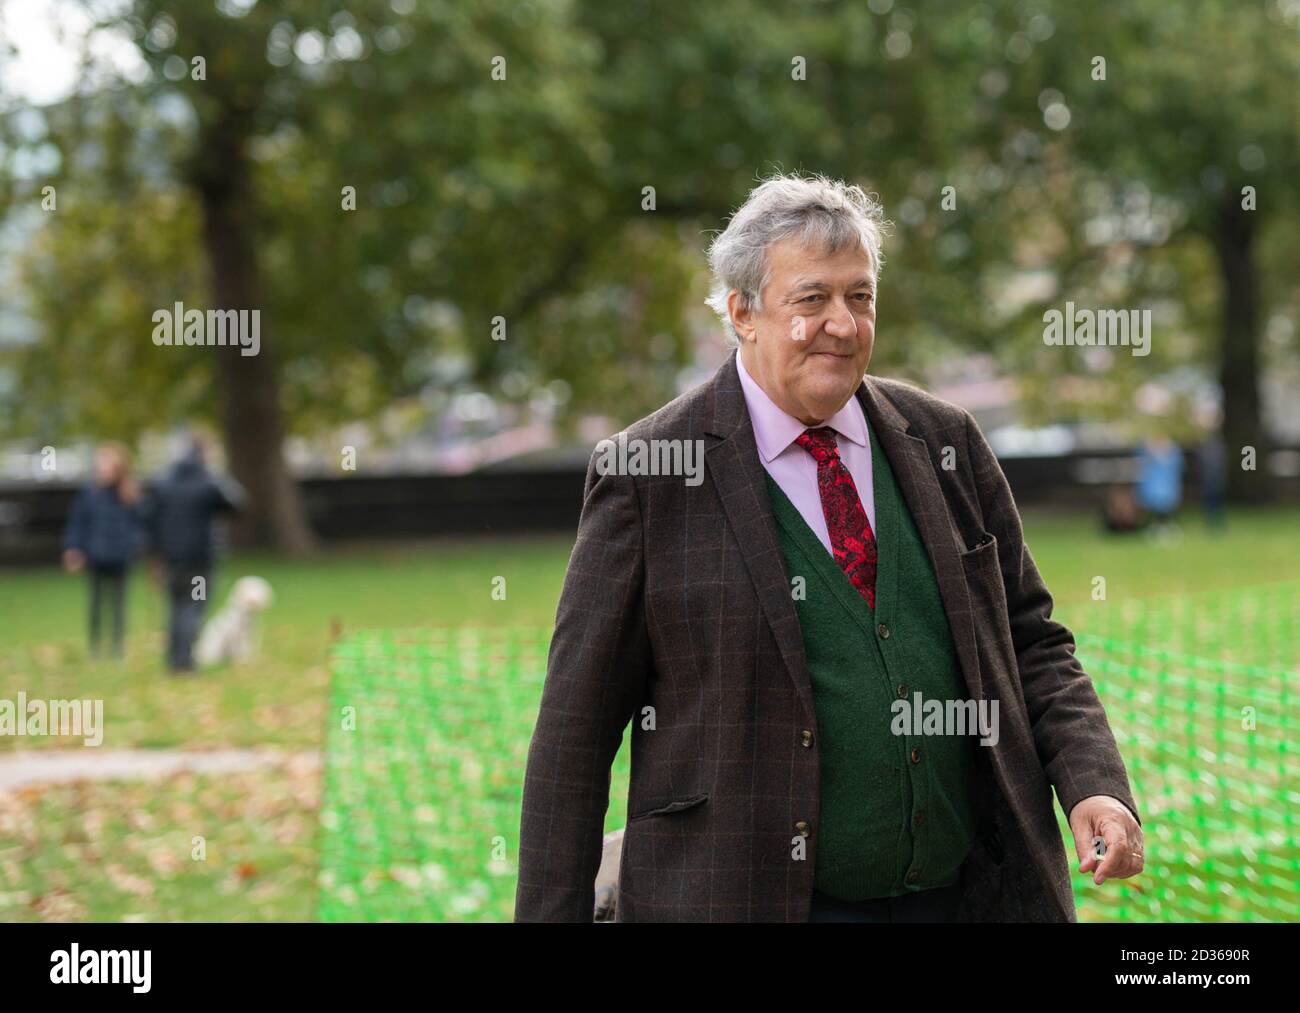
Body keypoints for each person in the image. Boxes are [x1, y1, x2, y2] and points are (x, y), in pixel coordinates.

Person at [515, 172, 1142, 923]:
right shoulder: (649, 472)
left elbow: (1033, 641)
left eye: (861, 296)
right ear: (742, 311)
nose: (842, 324)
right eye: (811, 299)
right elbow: (573, 735)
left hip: (969, 896)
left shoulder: (945, 441)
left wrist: (1093, 782)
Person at [141, 435, 246, 673]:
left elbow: (148, 517)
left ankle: (174, 659)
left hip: (171, 561)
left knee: (176, 607)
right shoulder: (208, 484)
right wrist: (220, 476)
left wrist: (154, 555)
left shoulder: (164, 484)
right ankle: (184, 661)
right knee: (194, 607)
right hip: (200, 562)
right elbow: (238, 503)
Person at [61, 442, 146, 659]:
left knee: (118, 605)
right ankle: (95, 647)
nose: (104, 468)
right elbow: (78, 522)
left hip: (120, 556)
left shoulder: (130, 494)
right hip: (96, 555)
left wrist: (133, 544)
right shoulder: (90, 493)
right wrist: (74, 548)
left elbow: (140, 523)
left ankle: (118, 647)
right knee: (96, 604)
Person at [1135, 435, 1184, 532]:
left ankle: (1163, 525)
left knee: (1165, 500)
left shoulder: (1172, 450)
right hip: (1153, 486)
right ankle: (1155, 525)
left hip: (1166, 486)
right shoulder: (1146, 448)